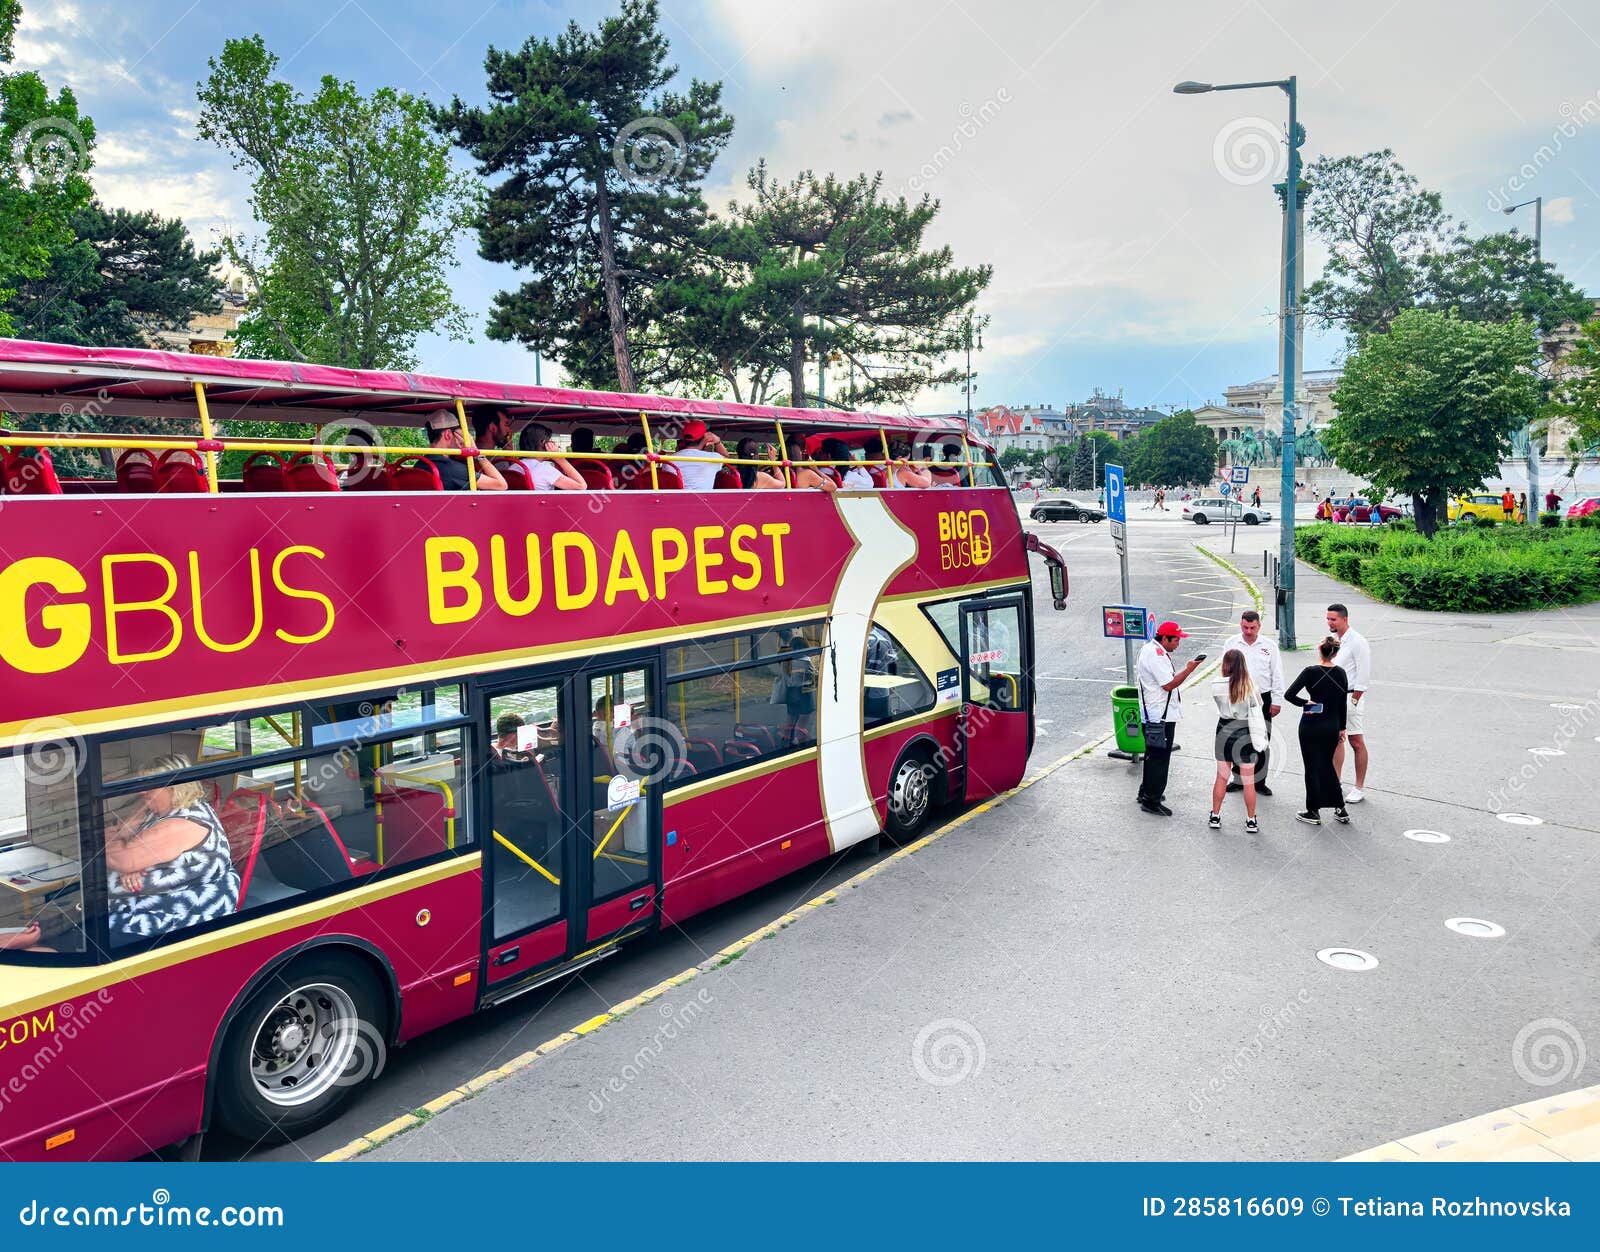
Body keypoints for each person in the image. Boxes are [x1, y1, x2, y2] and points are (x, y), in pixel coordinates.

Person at [104, 755, 240, 945]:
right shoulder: (161, 809)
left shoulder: (180, 825)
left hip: (181, 916)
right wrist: (129, 863)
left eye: (150, 785)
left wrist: (127, 861)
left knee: (93, 933)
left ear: (174, 788)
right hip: (152, 901)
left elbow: (120, 857)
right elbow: (119, 833)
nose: (142, 791)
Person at [1136, 621, 1201, 816]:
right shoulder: (1155, 655)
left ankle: (1146, 792)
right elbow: (1168, 684)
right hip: (1159, 717)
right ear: (1165, 638)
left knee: (1152, 756)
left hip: (1155, 714)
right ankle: (1151, 801)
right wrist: (1189, 669)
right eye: (1176, 640)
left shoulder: (1151, 649)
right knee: (1159, 759)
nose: (1178, 644)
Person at [1284, 636, 1351, 825]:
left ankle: (1313, 811)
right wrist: (1342, 728)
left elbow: (1289, 695)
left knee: (1312, 767)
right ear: (1335, 653)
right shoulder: (1341, 673)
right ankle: (1340, 808)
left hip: (1311, 724)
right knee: (1328, 765)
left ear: (1320, 649)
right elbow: (1342, 703)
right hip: (1332, 725)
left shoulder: (1310, 672)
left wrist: (1306, 703)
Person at [1223, 609, 1284, 796]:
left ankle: (1259, 782)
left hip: (1262, 697)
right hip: (1238, 696)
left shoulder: (1269, 646)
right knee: (1238, 738)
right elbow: (1225, 671)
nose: (1248, 631)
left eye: (1252, 628)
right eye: (1245, 627)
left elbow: (1277, 674)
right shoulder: (1231, 643)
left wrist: (1277, 701)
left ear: (1259, 626)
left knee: (1261, 739)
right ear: (1240, 625)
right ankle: (1238, 780)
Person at [1209, 649, 1261, 833]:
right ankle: (1251, 820)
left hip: (1223, 728)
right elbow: (1258, 705)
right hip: (1244, 730)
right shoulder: (1249, 685)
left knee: (1222, 776)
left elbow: (1218, 702)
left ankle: (1215, 815)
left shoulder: (1216, 683)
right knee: (1248, 781)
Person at [1327, 602, 1371, 802]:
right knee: (1336, 739)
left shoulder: (1358, 641)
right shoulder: (1334, 640)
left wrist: (1354, 701)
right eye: (1328, 619)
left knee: (1356, 741)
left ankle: (1359, 788)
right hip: (1333, 697)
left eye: (1333, 619)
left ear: (1345, 619)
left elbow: (1363, 675)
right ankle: (1335, 783)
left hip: (1350, 696)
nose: (1330, 622)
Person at [423, 409, 506, 491]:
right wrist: (476, 452)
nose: (464, 437)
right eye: (460, 433)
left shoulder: (421, 463)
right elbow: (501, 485)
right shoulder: (454, 470)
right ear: (448, 434)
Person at [517, 423, 585, 490]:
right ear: (543, 443)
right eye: (550, 441)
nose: (554, 444)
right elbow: (581, 486)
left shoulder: (515, 465)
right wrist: (559, 458)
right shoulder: (545, 469)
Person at [672, 419, 727, 490]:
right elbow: (726, 456)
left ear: (683, 438)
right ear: (704, 439)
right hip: (704, 497)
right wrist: (718, 442)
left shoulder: (668, 460)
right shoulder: (713, 458)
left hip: (675, 497)